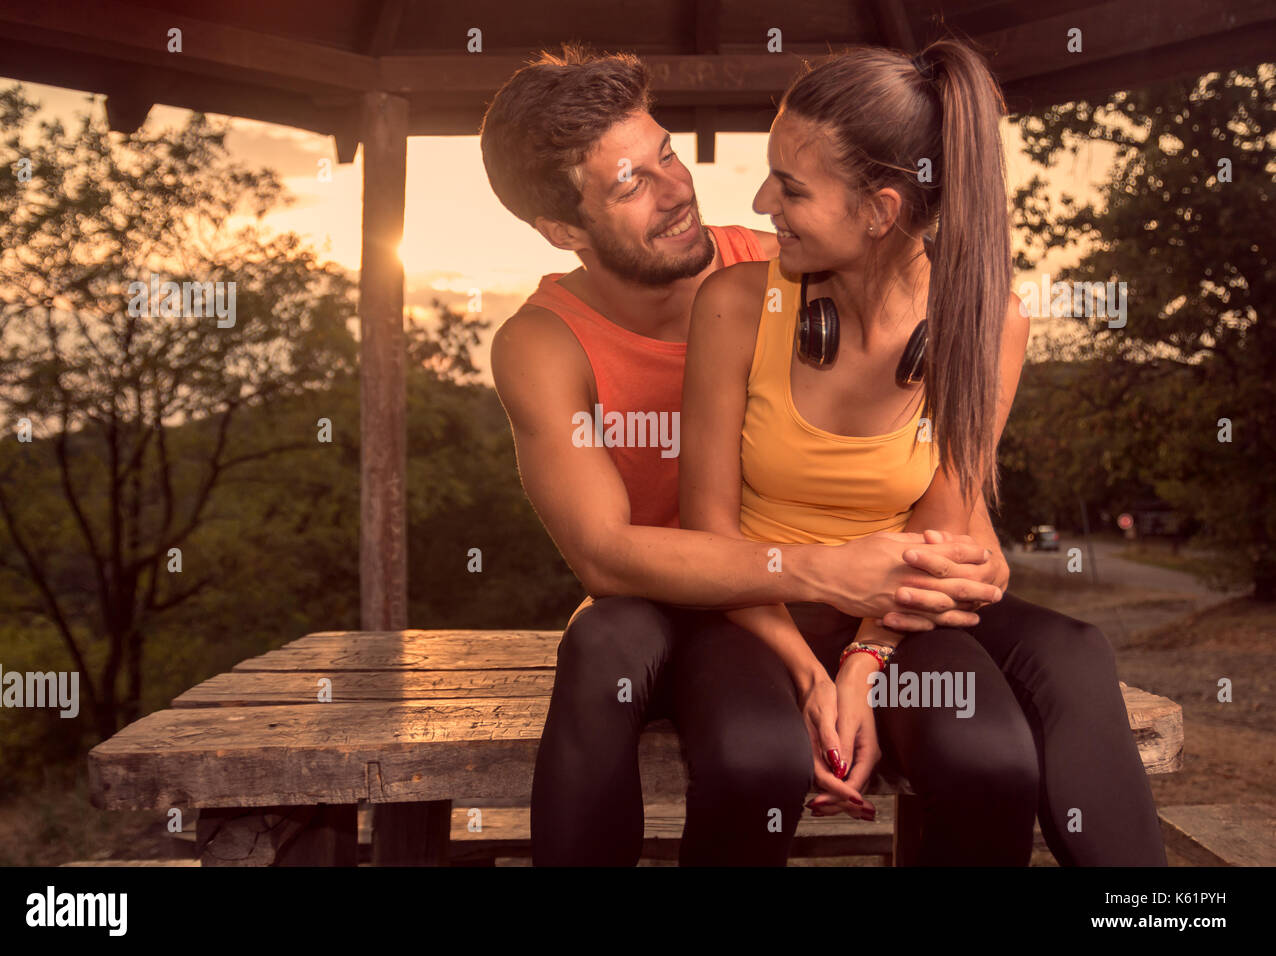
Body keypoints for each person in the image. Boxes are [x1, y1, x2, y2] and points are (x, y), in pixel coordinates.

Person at [480, 44, 1008, 865]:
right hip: (672, 605)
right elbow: (607, 559)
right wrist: (818, 568)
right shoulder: (542, 345)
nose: (675, 190)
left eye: (666, 156)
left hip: (822, 602)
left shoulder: (778, 262)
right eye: (631, 185)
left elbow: (920, 428)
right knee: (601, 642)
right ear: (561, 230)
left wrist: (968, 543)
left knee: (1014, 701)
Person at [680, 40, 1168, 865]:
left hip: (896, 616)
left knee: (996, 753)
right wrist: (813, 680)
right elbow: (706, 525)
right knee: (746, 758)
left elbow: (944, 521)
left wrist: (865, 667)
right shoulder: (735, 301)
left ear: (879, 209)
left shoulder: (989, 321)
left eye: (791, 186)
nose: (763, 201)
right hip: (756, 609)